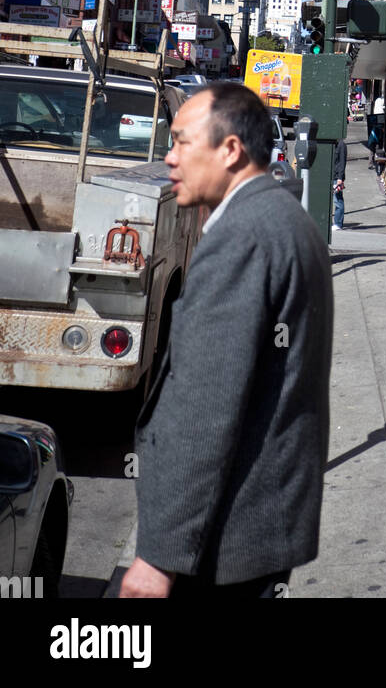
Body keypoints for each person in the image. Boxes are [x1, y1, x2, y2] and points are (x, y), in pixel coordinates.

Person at [119, 83, 333, 599]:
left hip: (220, 543)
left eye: (181, 143)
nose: (169, 159)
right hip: (260, 528)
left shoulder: (242, 237)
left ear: (230, 150)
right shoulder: (289, 222)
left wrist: (158, 557)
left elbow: (205, 404)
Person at [333, 137, 347, 230]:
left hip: (336, 177)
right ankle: (337, 222)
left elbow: (342, 162)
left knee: (337, 200)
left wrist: (340, 178)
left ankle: (338, 223)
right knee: (335, 199)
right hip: (331, 175)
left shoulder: (341, 145)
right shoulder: (332, 143)